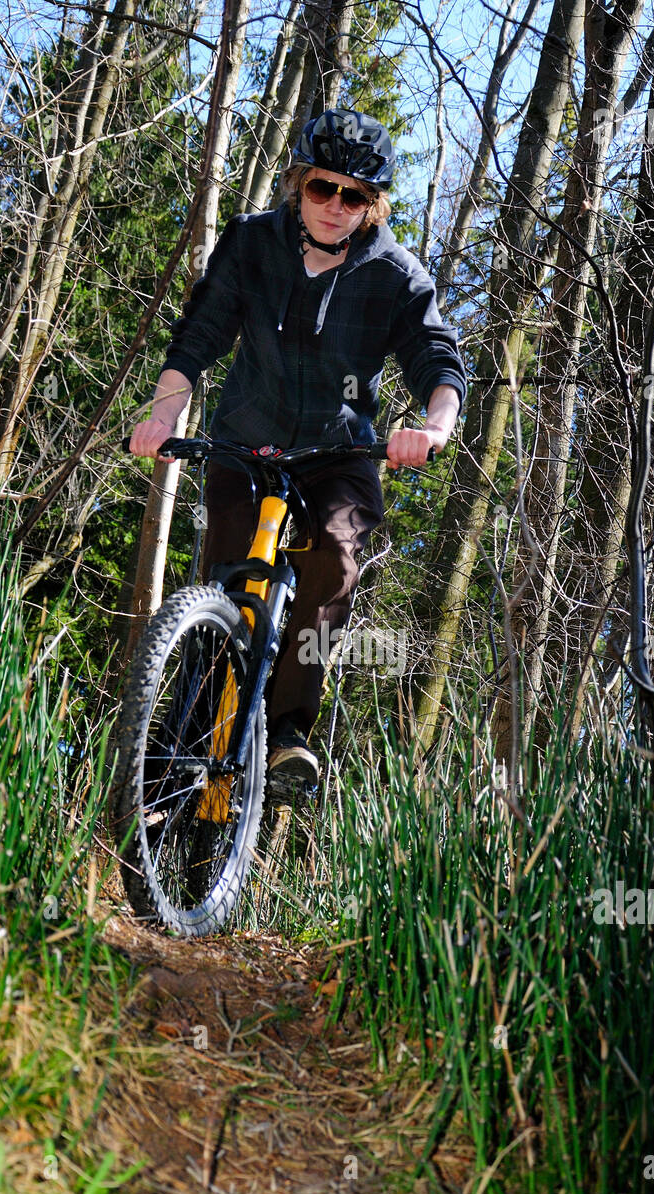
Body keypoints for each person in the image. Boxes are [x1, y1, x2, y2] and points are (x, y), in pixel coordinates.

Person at [129, 106, 466, 786]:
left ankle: (287, 732)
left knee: (335, 558)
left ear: (372, 205)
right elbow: (199, 336)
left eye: (353, 196)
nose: (334, 206)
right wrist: (164, 416)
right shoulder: (251, 243)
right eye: (322, 188)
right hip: (244, 443)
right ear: (297, 184)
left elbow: (438, 362)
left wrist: (433, 429)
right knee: (223, 578)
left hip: (338, 456)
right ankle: (187, 721)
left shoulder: (395, 275)